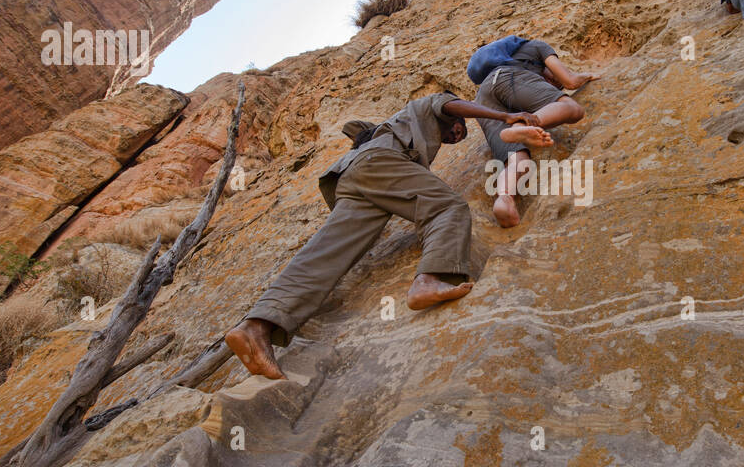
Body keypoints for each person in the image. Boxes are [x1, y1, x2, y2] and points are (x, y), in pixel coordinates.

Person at [224, 92, 548, 380]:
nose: (455, 136)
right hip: (379, 163)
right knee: (449, 207)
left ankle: (257, 326)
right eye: (457, 130)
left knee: (325, 255)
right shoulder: (427, 108)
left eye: (457, 139)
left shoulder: (400, 135)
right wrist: (504, 115)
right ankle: (430, 279)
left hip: (351, 178)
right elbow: (448, 102)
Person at [471, 39, 598, 227]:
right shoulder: (537, 45)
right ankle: (520, 126)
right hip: (509, 78)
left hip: (483, 100)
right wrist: (586, 76)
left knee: (519, 161)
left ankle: (505, 199)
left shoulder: (508, 59)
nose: (554, 83)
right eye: (552, 79)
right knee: (572, 108)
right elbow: (569, 81)